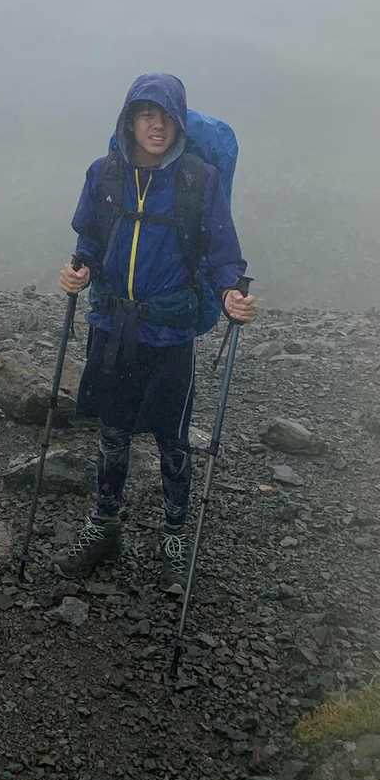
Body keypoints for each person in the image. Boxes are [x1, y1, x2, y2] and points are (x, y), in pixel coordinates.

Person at [53, 72, 256, 592]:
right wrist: (79, 269)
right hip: (112, 326)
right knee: (113, 431)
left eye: (166, 116)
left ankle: (174, 537)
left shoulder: (199, 180)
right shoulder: (104, 174)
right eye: (146, 114)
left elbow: (221, 253)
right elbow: (90, 240)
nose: (157, 125)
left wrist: (231, 292)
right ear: (129, 121)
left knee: (172, 437)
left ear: (180, 122)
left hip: (170, 331)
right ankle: (104, 524)